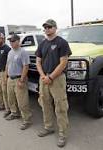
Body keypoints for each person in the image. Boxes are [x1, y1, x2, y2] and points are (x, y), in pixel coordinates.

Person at [36, 19, 72, 147]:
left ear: (55, 28)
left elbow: (63, 63)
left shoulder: (62, 43)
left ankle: (63, 134)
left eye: (49, 27)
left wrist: (50, 77)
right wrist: (42, 76)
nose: (47, 29)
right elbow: (38, 62)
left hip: (57, 79)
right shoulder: (42, 44)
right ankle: (48, 127)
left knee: (60, 106)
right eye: (45, 27)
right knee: (45, 104)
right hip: (44, 78)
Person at [5, 34, 32, 130]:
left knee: (22, 101)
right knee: (11, 98)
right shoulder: (10, 52)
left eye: (13, 41)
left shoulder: (23, 52)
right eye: (10, 41)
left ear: (18, 41)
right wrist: (6, 76)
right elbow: (7, 64)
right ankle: (14, 113)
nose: (11, 43)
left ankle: (26, 120)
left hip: (19, 79)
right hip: (10, 79)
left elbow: (26, 66)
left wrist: (21, 80)